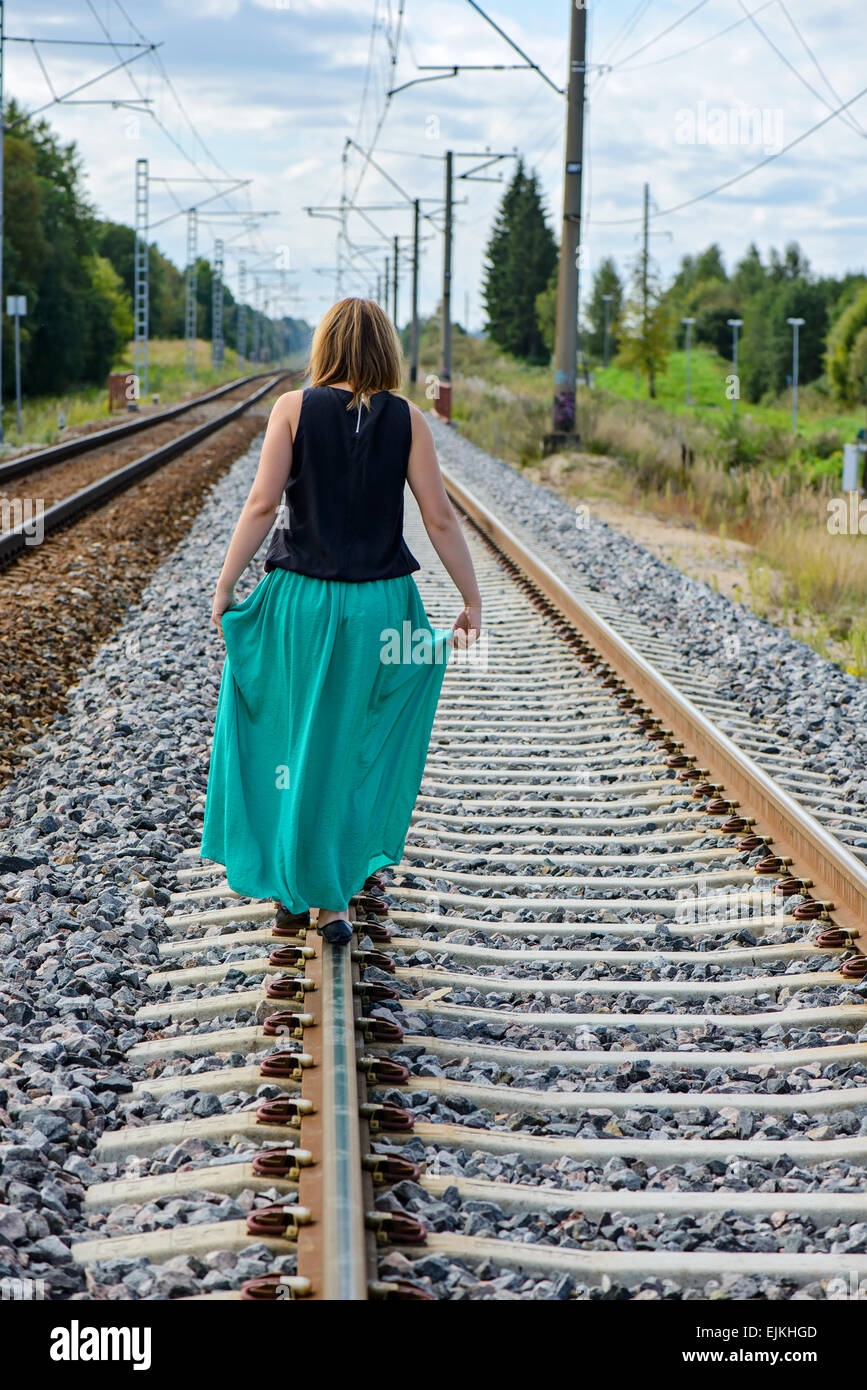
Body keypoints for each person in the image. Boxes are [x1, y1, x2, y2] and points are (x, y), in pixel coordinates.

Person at [200, 296, 482, 944]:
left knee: (290, 739)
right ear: (385, 351)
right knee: (352, 747)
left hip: (302, 602)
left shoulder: (293, 409)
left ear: (324, 347)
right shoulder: (408, 421)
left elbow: (263, 502)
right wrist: (469, 601)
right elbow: (438, 517)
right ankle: (333, 897)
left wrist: (225, 586)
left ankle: (293, 880)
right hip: (381, 608)